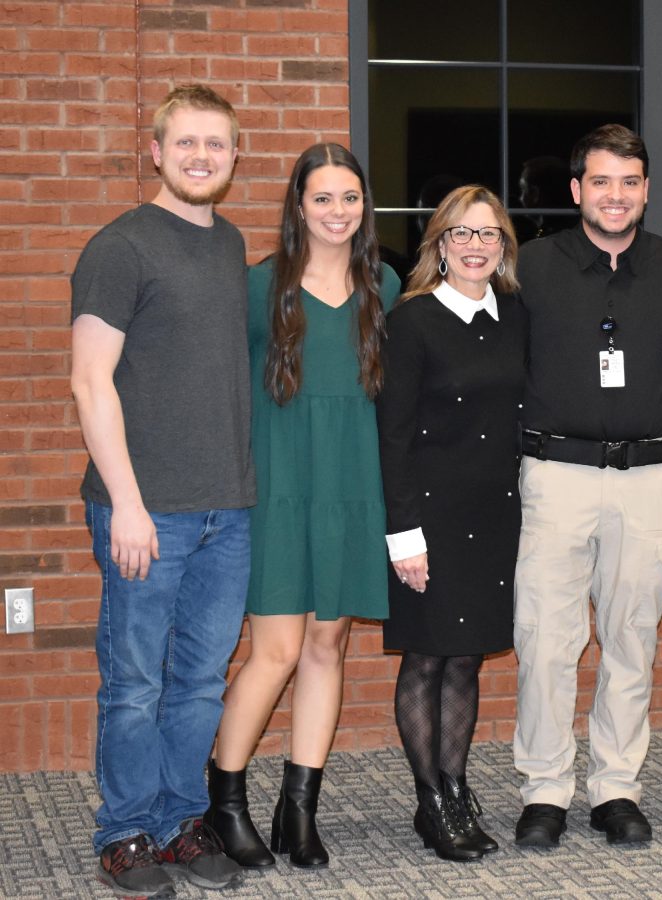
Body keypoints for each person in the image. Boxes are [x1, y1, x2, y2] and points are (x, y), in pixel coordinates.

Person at [70, 84, 254, 898]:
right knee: (136, 681)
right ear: (156, 150)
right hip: (147, 511)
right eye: (186, 144)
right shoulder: (121, 248)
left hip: (228, 511)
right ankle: (126, 831)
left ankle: (182, 822)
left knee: (202, 681)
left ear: (233, 155)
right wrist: (129, 503)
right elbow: (89, 382)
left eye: (216, 144)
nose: (201, 157)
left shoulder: (228, 244)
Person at [205, 143, 396, 871]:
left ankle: (299, 808)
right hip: (281, 488)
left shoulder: (379, 280)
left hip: (350, 488)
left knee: (327, 646)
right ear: (298, 206)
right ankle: (224, 802)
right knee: (276, 651)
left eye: (350, 198)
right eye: (323, 198)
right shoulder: (259, 287)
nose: (338, 212)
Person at [511, 124, 662, 848]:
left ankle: (616, 786)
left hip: (647, 477)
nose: (615, 196)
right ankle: (545, 789)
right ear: (576, 191)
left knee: (631, 638)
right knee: (547, 639)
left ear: (646, 190)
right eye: (600, 182)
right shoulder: (530, 266)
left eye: (629, 182)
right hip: (554, 476)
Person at [377, 185, 527, 862]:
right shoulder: (411, 322)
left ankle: (456, 786)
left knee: (467, 656)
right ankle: (431, 801)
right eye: (460, 235)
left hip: (494, 515)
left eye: (488, 235)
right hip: (430, 518)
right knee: (428, 656)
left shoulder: (516, 315)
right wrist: (403, 535)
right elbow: (393, 436)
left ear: (503, 247)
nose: (474, 247)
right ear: (439, 246)